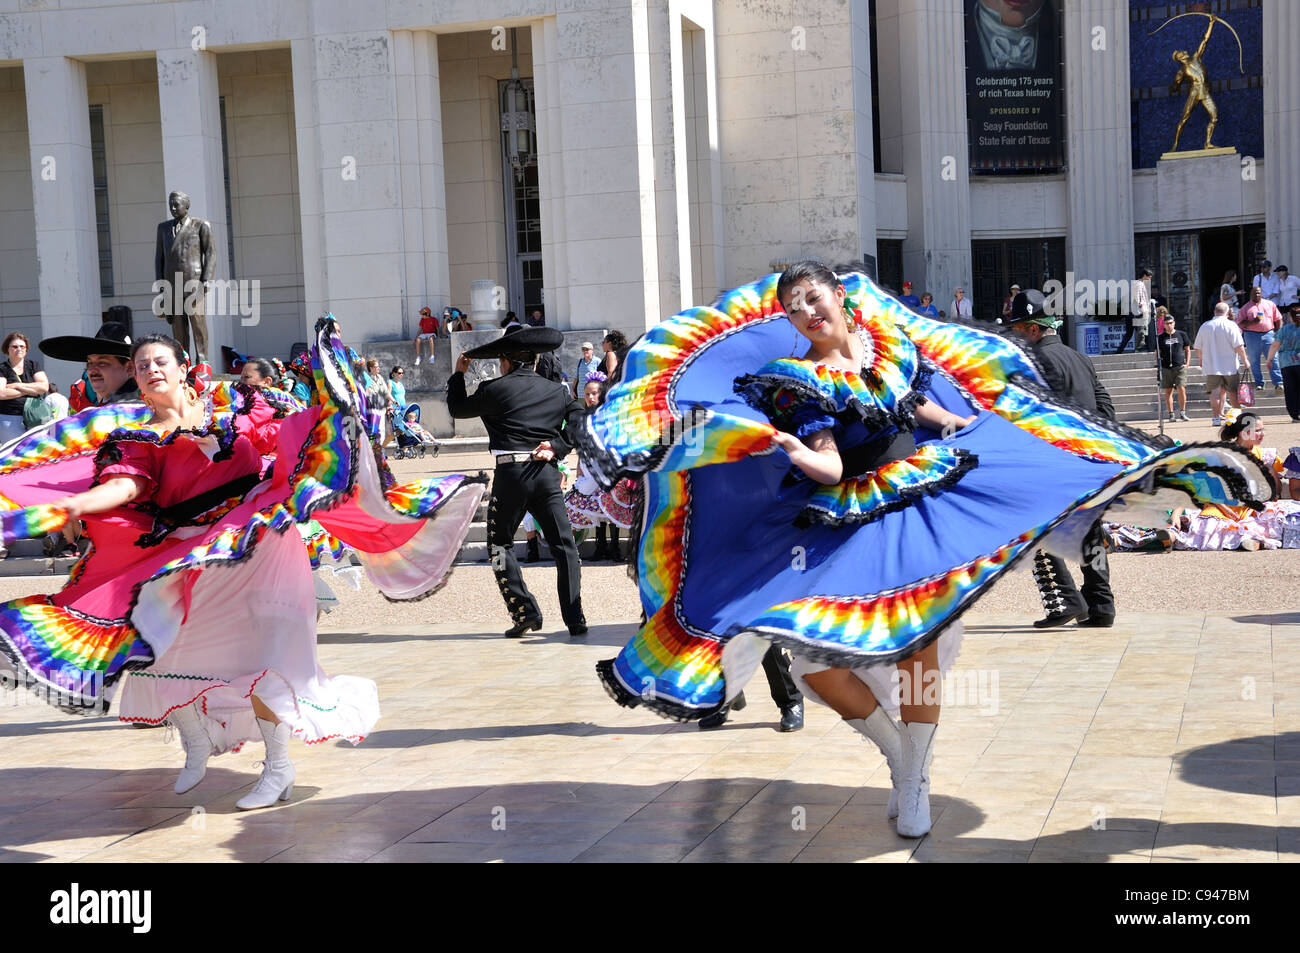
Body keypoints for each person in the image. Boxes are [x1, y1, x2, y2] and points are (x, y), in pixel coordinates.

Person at [581, 263, 1270, 838]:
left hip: (921, 497)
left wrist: (965, 422)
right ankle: (897, 751)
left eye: (813, 298)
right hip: (847, 512)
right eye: (794, 308)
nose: (807, 312)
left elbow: (919, 409)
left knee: (924, 646)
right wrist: (788, 445)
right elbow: (825, 464)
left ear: (838, 297)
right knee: (812, 661)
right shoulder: (796, 381)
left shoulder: (891, 348)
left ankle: (917, 772)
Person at [0, 319, 486, 808]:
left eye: (159, 361)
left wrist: (338, 397)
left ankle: (278, 768)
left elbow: (298, 430)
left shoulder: (236, 406)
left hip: (262, 536)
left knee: (269, 654)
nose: (150, 371)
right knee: (162, 651)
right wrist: (72, 507)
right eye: (142, 365)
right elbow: (126, 486)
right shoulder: (133, 438)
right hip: (195, 551)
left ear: (183, 368)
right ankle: (197, 740)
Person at [446, 325, 587, 637]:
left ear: (504, 362)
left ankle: (524, 612)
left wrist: (459, 374)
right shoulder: (558, 392)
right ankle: (575, 618)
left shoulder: (493, 389)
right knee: (565, 547)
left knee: (499, 544)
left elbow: (457, 407)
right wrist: (558, 446)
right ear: (534, 362)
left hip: (511, 475)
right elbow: (581, 423)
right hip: (546, 473)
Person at [1005, 292, 1116, 628]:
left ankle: (1064, 599)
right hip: (1088, 459)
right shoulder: (1081, 359)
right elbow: (1106, 409)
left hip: (1051, 460)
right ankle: (1101, 605)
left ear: (1035, 330)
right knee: (1089, 533)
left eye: (1019, 330)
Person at [154, 190, 216, 362]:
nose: (173, 208)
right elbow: (159, 258)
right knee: (178, 328)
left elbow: (211, 254)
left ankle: (202, 363)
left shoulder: (200, 225)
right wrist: (160, 285)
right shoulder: (163, 228)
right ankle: (183, 362)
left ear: (187, 206)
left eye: (177, 204)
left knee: (198, 325)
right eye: (170, 204)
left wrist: (206, 281)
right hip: (172, 285)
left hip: (194, 283)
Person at [1192, 301, 1249, 425]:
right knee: (1233, 392)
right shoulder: (1231, 325)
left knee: (1215, 393)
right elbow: (1239, 346)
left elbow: (1197, 347)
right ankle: (1238, 419)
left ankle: (1216, 418)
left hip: (1212, 366)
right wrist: (1245, 360)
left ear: (1214, 312)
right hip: (1230, 366)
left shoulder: (1205, 326)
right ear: (1227, 313)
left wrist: (1201, 359)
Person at [0, 332, 50, 443]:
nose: (19, 349)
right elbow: (1, 393)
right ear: (7, 349)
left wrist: (17, 386)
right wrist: (31, 391)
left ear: (26, 349)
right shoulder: (2, 369)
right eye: (15, 346)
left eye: (22, 346)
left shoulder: (33, 365)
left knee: (38, 452)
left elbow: (44, 386)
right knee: (14, 455)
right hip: (10, 418)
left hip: (36, 417)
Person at [1236, 285, 1283, 392]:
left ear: (1261, 293)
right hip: (1252, 336)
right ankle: (1259, 383)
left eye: (1258, 292)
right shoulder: (1245, 308)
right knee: (1254, 361)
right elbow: (1241, 323)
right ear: (1251, 294)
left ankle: (1278, 383)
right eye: (1254, 293)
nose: (1256, 294)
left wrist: (1278, 332)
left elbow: (1278, 318)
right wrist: (1253, 322)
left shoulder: (1270, 304)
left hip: (1269, 334)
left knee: (1273, 359)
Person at [1156, 310, 1193, 421]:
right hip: (1166, 367)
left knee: (1181, 388)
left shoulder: (1181, 334)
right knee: (1168, 391)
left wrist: (1187, 363)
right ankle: (1171, 414)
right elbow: (1157, 352)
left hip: (1179, 366)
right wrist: (1159, 366)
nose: (1169, 325)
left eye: (1171, 323)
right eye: (1167, 323)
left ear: (1174, 323)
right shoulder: (1160, 337)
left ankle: (1182, 412)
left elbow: (1187, 349)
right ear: (1164, 325)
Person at [1266, 303, 1300, 421]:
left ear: (1290, 317)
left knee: (1290, 389)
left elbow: (1275, 345)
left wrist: (1269, 359)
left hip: (1287, 363)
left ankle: (1294, 414)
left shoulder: (1284, 330)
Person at [1114, 267, 1152, 354]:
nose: (1150, 279)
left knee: (1129, 334)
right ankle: (1139, 349)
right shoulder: (1140, 284)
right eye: (1149, 277)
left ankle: (1119, 350)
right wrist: (1142, 308)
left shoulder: (1137, 284)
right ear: (1144, 276)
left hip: (1130, 313)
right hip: (1137, 313)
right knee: (1141, 331)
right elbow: (1138, 297)